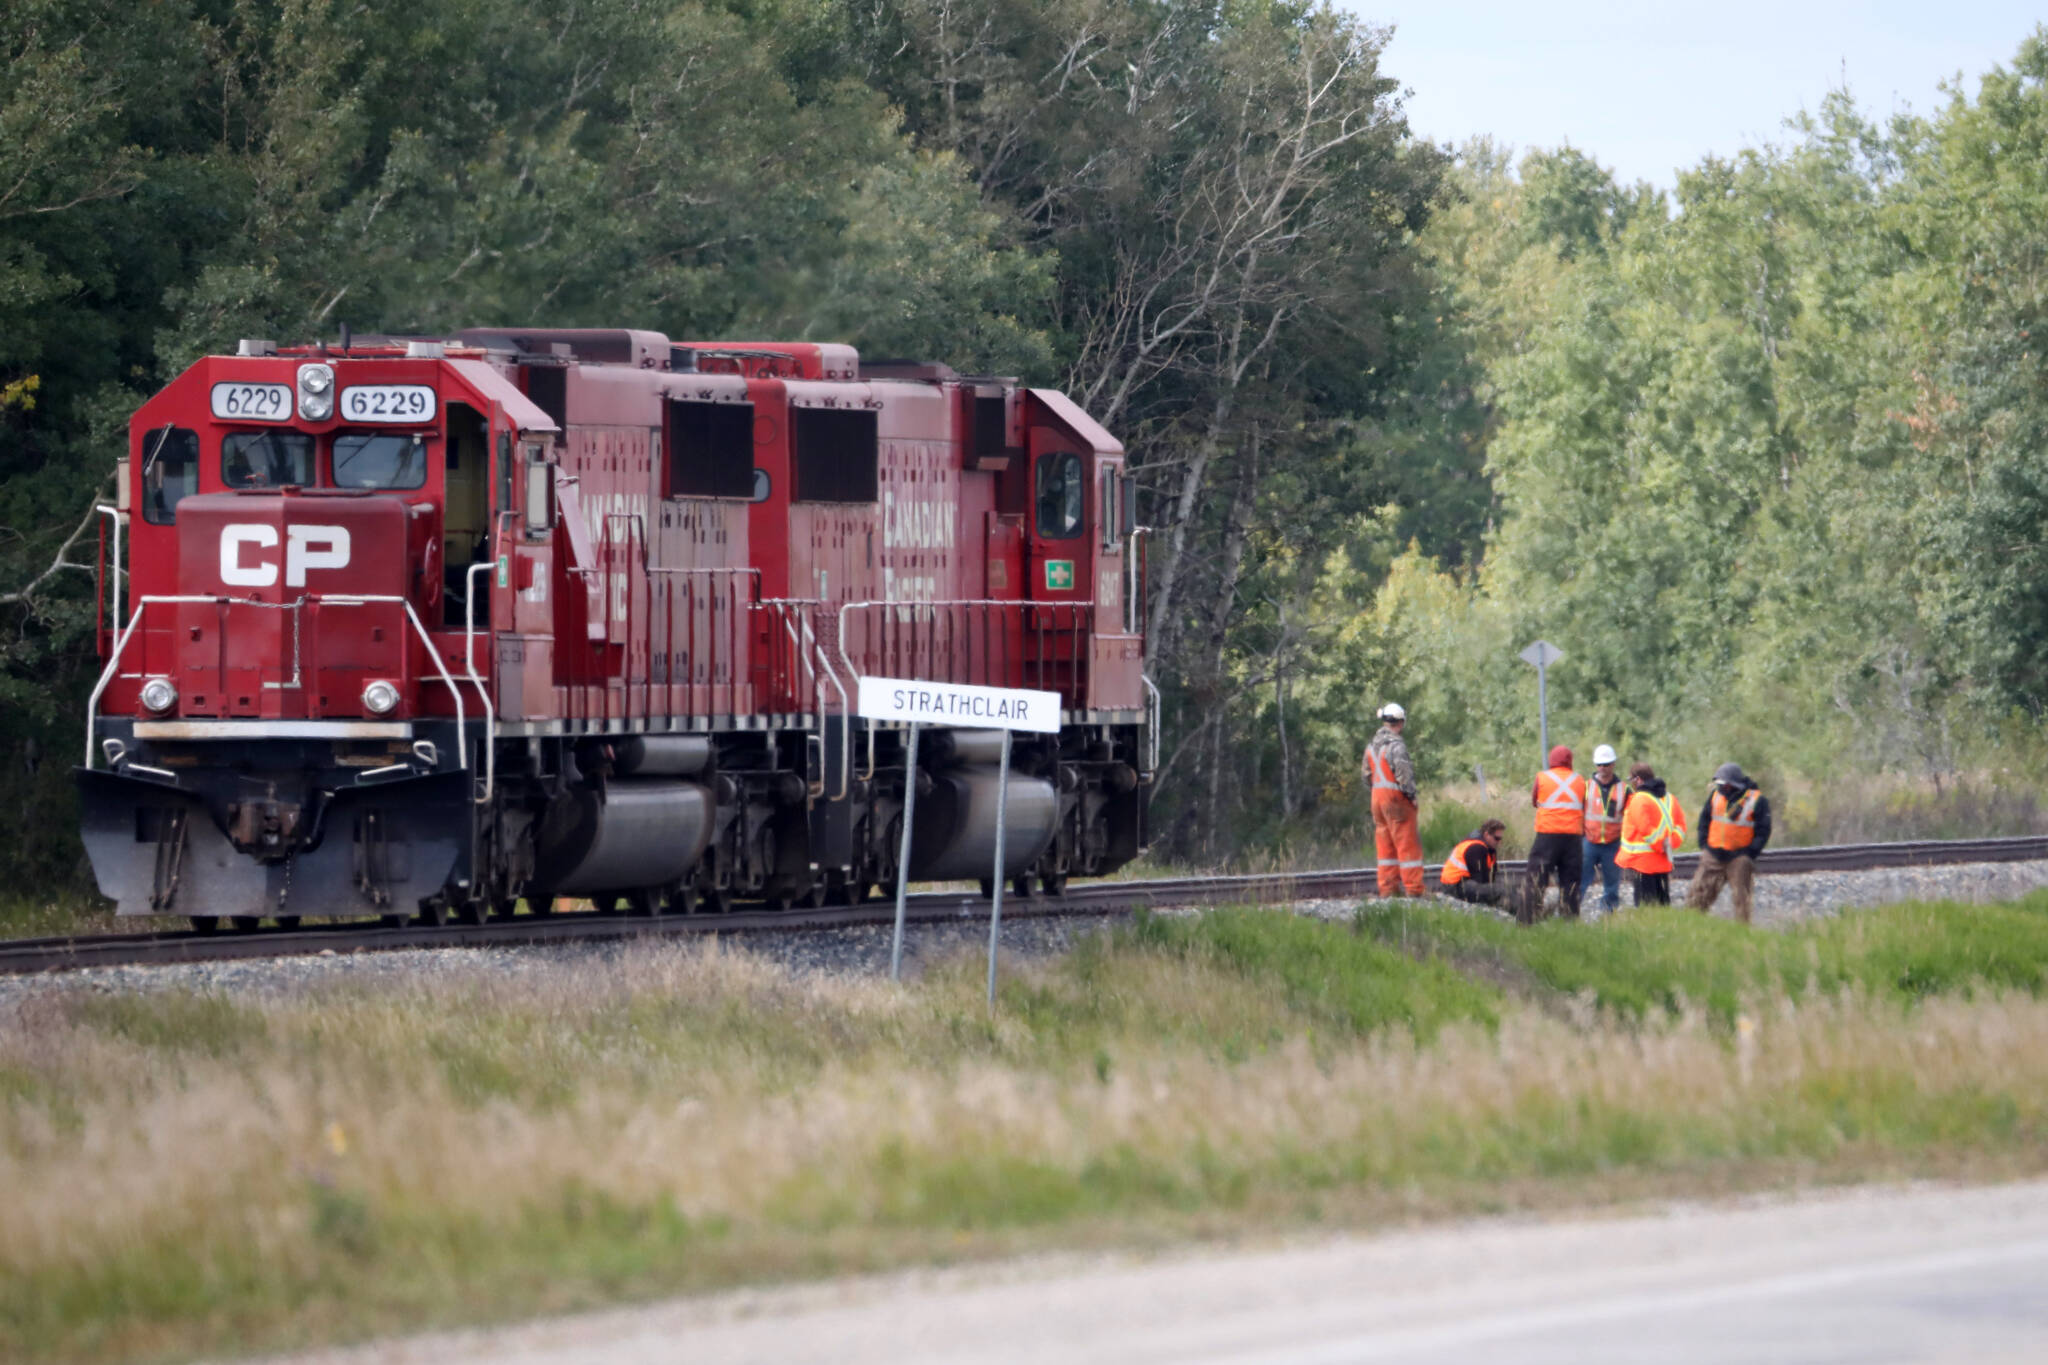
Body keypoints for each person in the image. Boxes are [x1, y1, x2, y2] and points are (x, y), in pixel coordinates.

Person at [1689, 762, 1772, 924]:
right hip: (1713, 855)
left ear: (1734, 784)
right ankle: (1691, 925)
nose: (1721, 787)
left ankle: (1742, 933)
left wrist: (1749, 854)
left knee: (1742, 900)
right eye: (1719, 783)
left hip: (1739, 858)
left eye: (1724, 783)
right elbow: (1704, 821)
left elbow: (1764, 830)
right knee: (1697, 895)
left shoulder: (1757, 800)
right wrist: (1704, 846)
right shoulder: (1715, 796)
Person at [1362, 702, 1424, 898]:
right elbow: (1404, 775)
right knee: (1407, 844)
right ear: (1400, 722)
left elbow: (1365, 776)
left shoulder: (1371, 747)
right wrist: (1412, 796)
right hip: (1396, 801)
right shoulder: (1396, 746)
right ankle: (1414, 890)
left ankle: (1388, 889)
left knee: (1385, 846)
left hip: (1377, 801)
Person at [1524, 744, 1587, 923]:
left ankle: (1527, 921)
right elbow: (1584, 805)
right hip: (1573, 838)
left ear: (1551, 760)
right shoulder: (1580, 780)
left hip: (1547, 835)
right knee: (1571, 882)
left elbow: (1535, 801)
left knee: (1536, 879)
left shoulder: (1542, 777)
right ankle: (1570, 921)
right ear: (1570, 761)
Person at [1616, 763, 1686, 905]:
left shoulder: (1639, 800)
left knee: (1645, 909)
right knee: (1663, 907)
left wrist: (1660, 846)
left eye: (1632, 780)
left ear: (1639, 780)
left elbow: (1646, 831)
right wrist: (1669, 845)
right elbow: (1681, 827)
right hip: (1663, 863)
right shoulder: (1670, 799)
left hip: (1643, 865)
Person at [1581, 743, 1626, 916]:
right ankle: (1570, 912)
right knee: (1581, 880)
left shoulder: (1624, 789)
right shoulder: (1586, 787)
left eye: (1606, 764)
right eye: (1599, 764)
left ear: (1613, 764)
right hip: (1589, 841)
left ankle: (1608, 915)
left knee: (1612, 884)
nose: (1602, 768)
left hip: (1612, 843)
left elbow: (1629, 816)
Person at [1440, 819, 1515, 911]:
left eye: (1500, 839)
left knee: (1501, 889)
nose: (1499, 842)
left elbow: (1490, 876)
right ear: (1487, 835)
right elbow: (1480, 879)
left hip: (1462, 884)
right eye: (1497, 838)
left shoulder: (1488, 848)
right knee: (1501, 890)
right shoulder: (1476, 848)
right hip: (1455, 887)